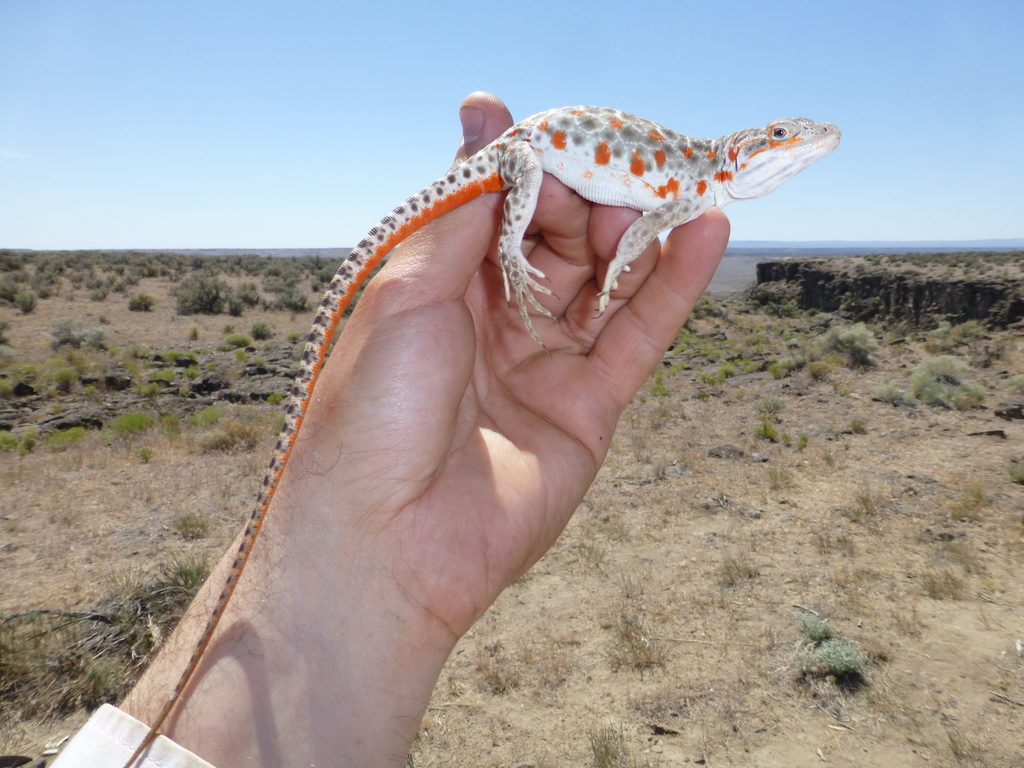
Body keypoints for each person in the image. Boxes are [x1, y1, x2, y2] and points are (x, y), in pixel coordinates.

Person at [52, 91, 730, 768]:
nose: (806, 141)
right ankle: (512, 250)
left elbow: (639, 232)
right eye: (787, 137)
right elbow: (637, 234)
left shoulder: (692, 182)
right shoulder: (697, 178)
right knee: (523, 202)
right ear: (747, 150)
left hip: (539, 155)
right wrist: (523, 260)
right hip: (524, 153)